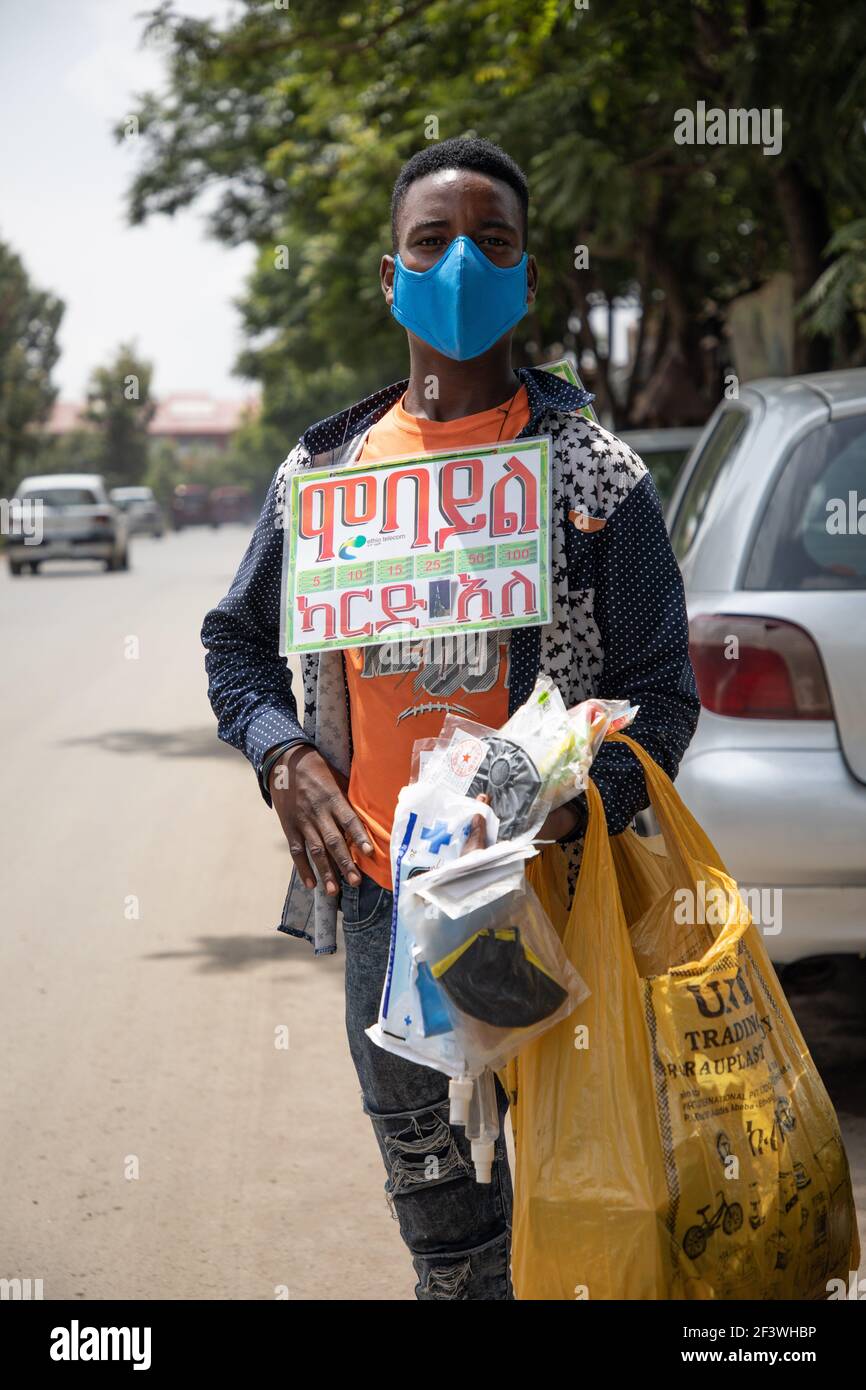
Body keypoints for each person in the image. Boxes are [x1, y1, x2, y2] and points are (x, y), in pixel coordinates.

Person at [201, 136, 701, 1300]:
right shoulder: (322, 480)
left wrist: (569, 810)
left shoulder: (592, 477)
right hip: (390, 918)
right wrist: (281, 757)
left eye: (493, 243)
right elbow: (233, 645)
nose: (462, 266)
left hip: (558, 907)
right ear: (391, 276)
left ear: (527, 279)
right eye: (432, 243)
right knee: (450, 1243)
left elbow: (663, 697)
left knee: (590, 1209)